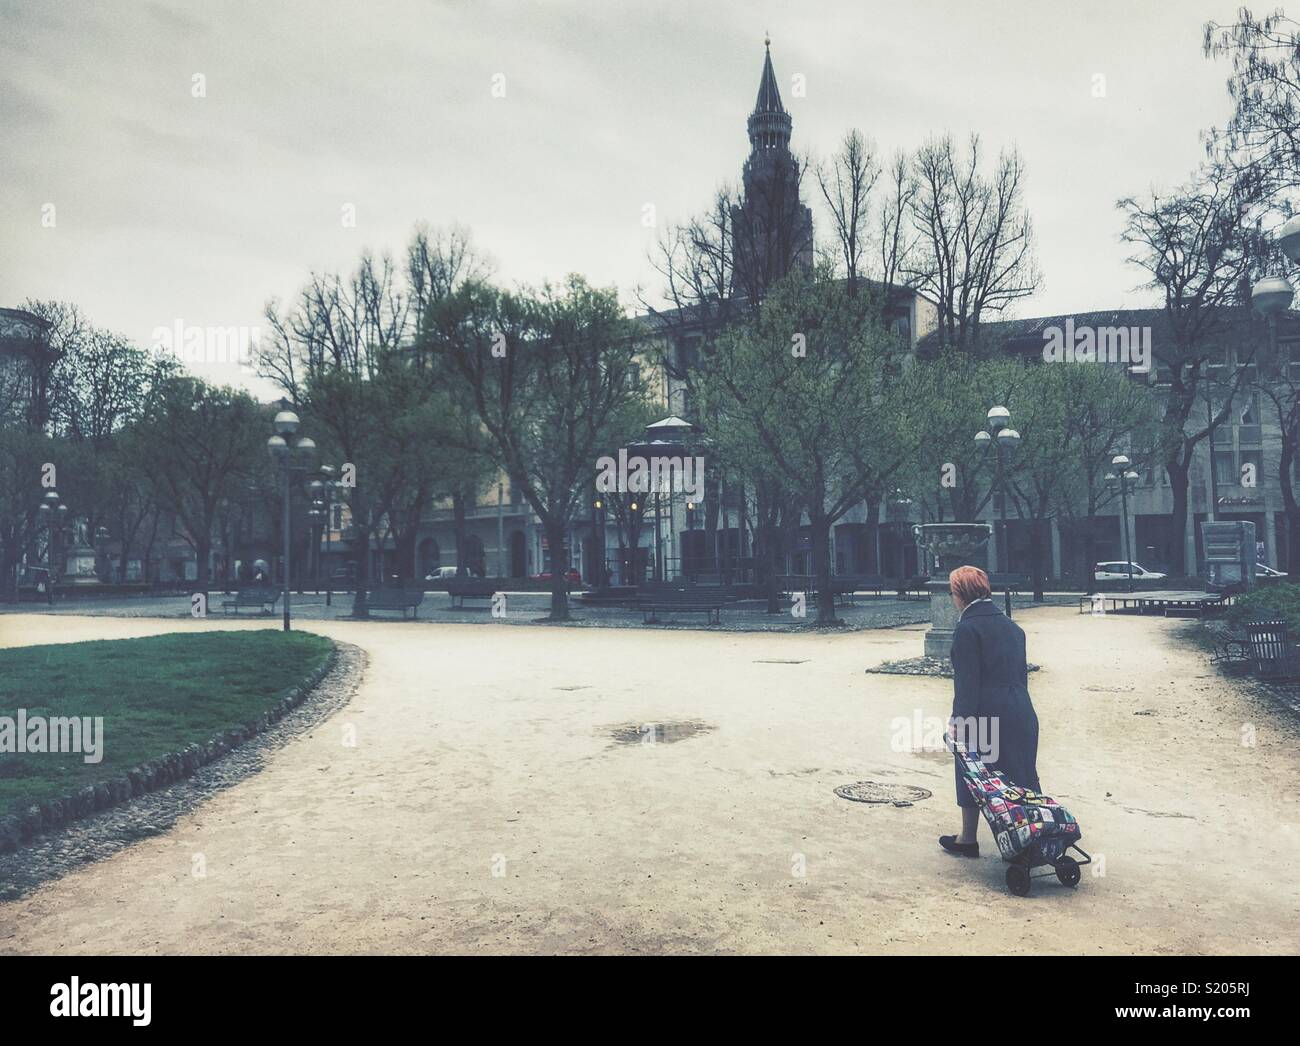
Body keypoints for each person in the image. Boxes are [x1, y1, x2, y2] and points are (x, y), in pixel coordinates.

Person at [939, 564, 1040, 858]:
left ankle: (968, 838)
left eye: (951, 591)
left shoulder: (968, 629)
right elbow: (1020, 674)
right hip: (1020, 708)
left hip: (986, 711)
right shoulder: (1012, 627)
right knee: (1021, 775)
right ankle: (1032, 834)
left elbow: (967, 683)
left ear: (960, 594)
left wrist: (958, 721)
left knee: (973, 773)